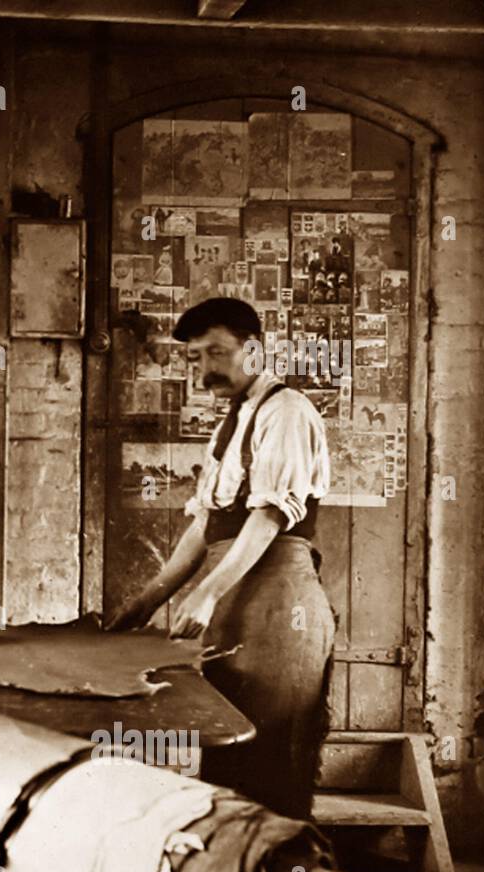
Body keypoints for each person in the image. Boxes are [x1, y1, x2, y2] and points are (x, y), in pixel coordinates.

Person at [106, 298, 335, 820]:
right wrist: (147, 600)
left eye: (217, 353)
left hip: (279, 605)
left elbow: (270, 518)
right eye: (196, 358)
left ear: (252, 350)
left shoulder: (287, 412)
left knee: (271, 760)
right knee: (228, 756)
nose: (206, 369)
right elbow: (206, 524)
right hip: (235, 603)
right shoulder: (231, 422)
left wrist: (207, 593)